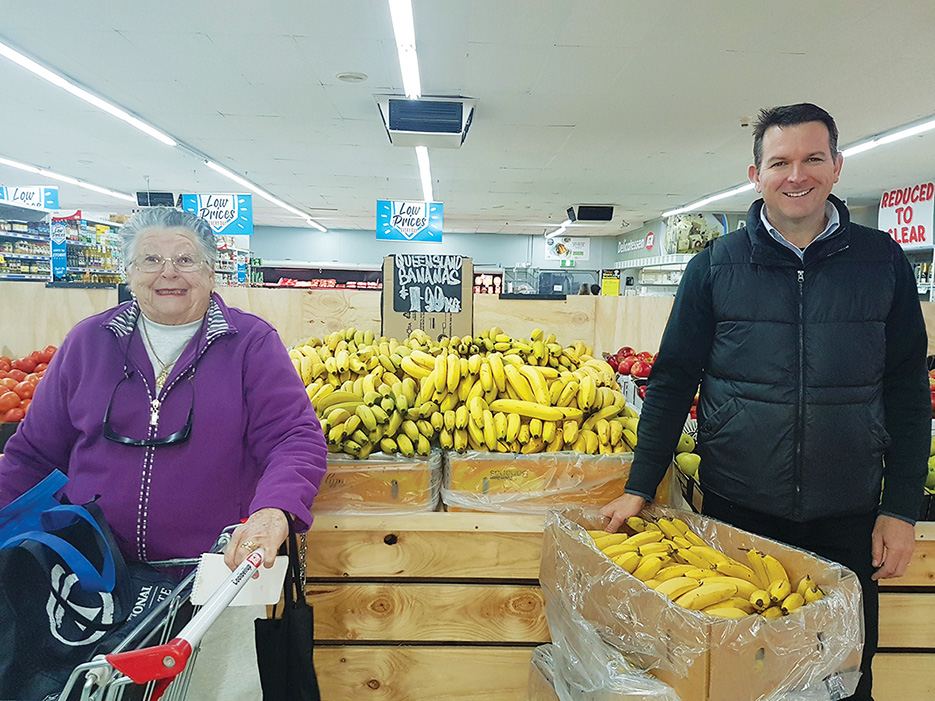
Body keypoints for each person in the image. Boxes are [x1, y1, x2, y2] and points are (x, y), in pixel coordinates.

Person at [600, 103, 929, 701]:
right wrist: (640, 484)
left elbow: (908, 392)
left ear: (836, 167)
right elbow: (672, 381)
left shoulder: (882, 263)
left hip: (848, 516)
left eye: (813, 159)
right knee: (737, 677)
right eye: (780, 162)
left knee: (844, 675)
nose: (796, 175)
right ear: (756, 175)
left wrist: (901, 507)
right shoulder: (714, 266)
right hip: (738, 514)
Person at [0, 206, 328, 696]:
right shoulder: (88, 342)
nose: (168, 272)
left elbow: (294, 436)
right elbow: (32, 455)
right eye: (150, 259)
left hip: (208, 583)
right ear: (129, 272)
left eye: (186, 259)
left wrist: (274, 511)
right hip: (89, 579)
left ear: (211, 271)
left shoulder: (250, 344)